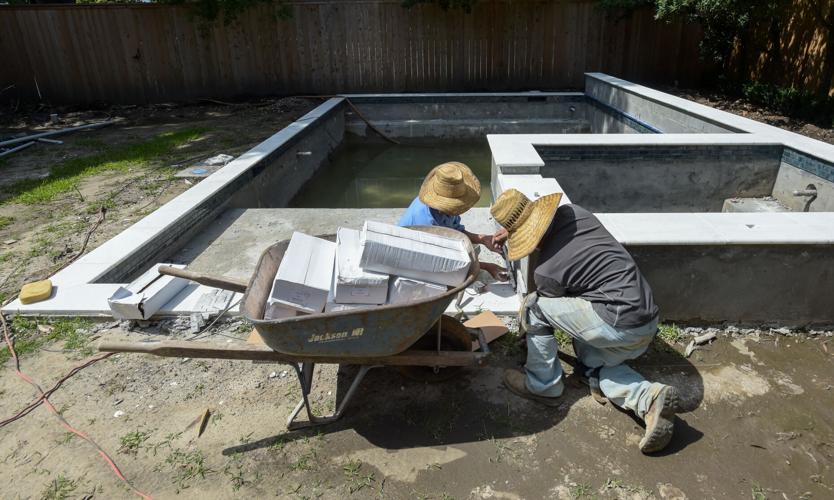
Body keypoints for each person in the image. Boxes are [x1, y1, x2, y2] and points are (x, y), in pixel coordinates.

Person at [490, 188, 679, 454]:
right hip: (645, 322)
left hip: (616, 325)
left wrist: (529, 338)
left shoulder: (547, 273)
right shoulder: (576, 213)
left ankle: (543, 386)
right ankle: (648, 398)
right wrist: (517, 232)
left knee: (534, 307)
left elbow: (550, 309)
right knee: (592, 364)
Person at [399, 162, 507, 279]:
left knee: (473, 249)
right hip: (413, 257)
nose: (457, 209)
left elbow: (456, 231)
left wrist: (483, 239)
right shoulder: (426, 222)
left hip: (437, 246)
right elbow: (441, 260)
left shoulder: (446, 209)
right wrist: (486, 266)